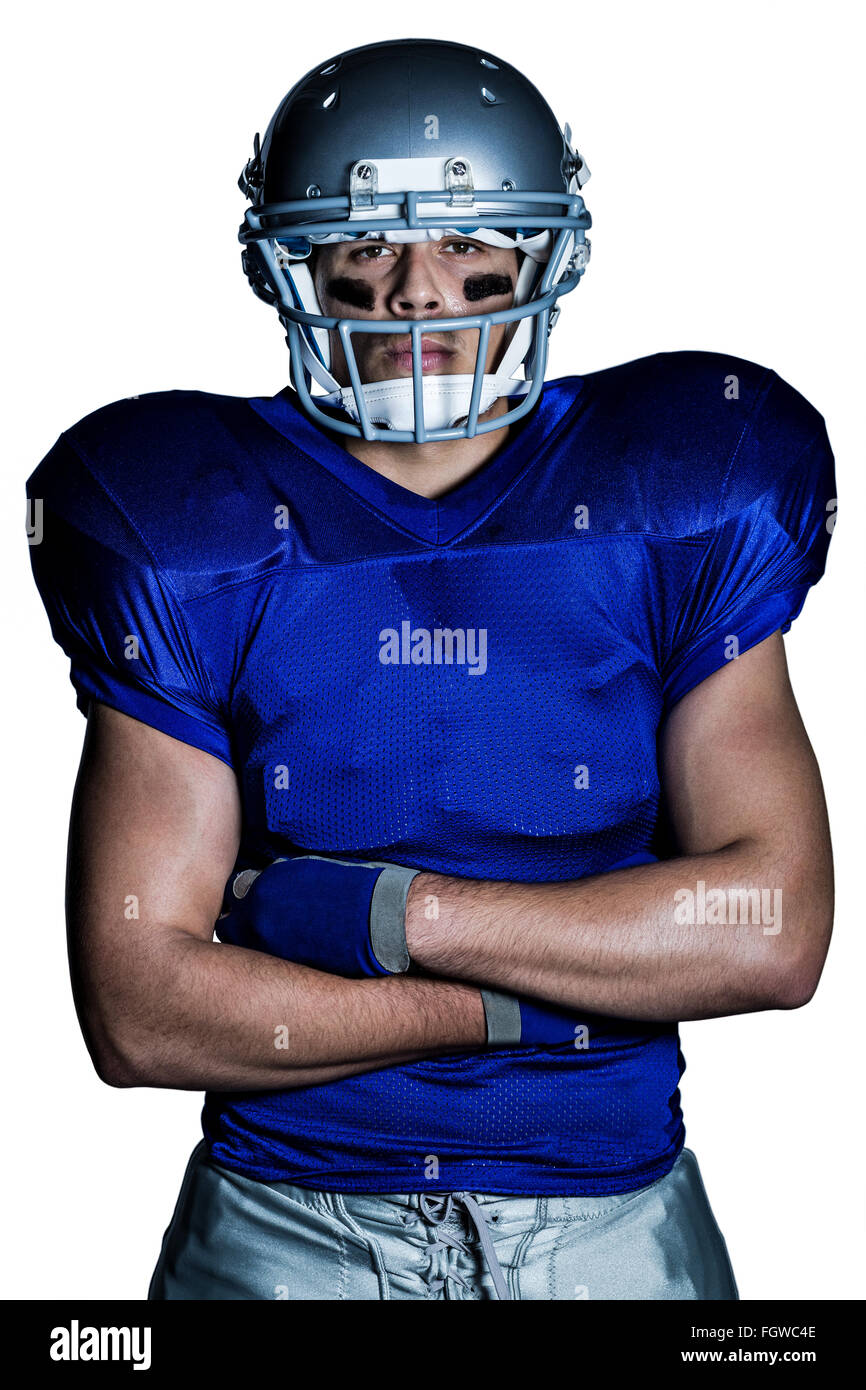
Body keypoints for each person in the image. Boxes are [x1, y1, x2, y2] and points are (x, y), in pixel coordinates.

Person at [26, 38, 836, 1301]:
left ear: (543, 252)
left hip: (611, 1221)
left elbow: (769, 928)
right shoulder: (181, 516)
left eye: (468, 246)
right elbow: (141, 1010)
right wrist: (540, 1003)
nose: (416, 293)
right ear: (288, 266)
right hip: (288, 1224)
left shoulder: (682, 484)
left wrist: (394, 918)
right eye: (366, 247)